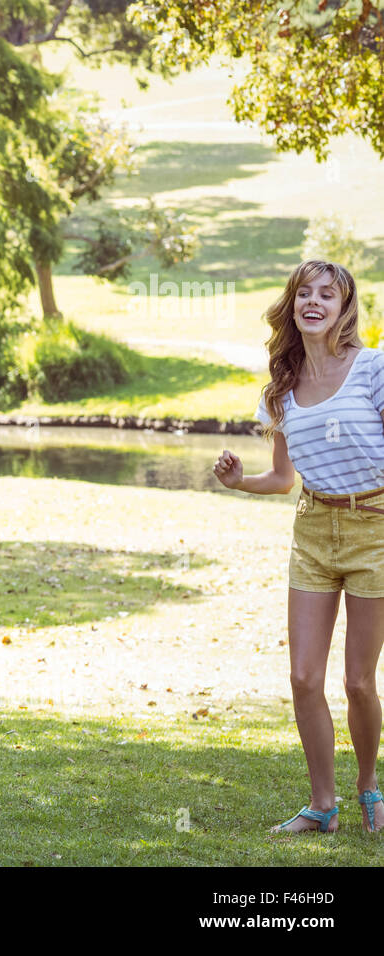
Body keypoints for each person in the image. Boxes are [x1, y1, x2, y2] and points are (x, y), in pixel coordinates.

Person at [214, 259, 384, 833]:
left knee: (359, 681)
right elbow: (283, 479)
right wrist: (240, 482)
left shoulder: (373, 369)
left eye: (326, 295)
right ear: (292, 306)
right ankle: (323, 805)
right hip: (313, 531)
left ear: (344, 308)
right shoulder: (281, 390)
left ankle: (368, 786)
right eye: (304, 293)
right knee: (303, 678)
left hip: (375, 530)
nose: (314, 302)